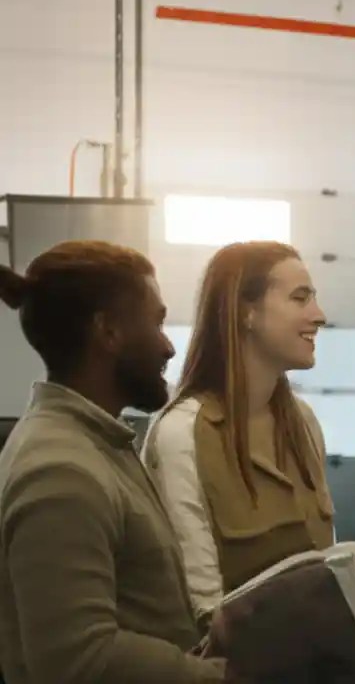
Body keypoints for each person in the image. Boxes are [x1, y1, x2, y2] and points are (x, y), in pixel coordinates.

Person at [0, 241, 230, 683]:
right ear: (108, 332)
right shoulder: (60, 469)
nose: (168, 347)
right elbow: (80, 658)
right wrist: (219, 677)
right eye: (157, 322)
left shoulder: (96, 445)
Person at [142, 241, 334, 629]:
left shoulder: (304, 423)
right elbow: (202, 609)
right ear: (246, 312)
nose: (319, 316)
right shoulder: (182, 433)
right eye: (300, 299)